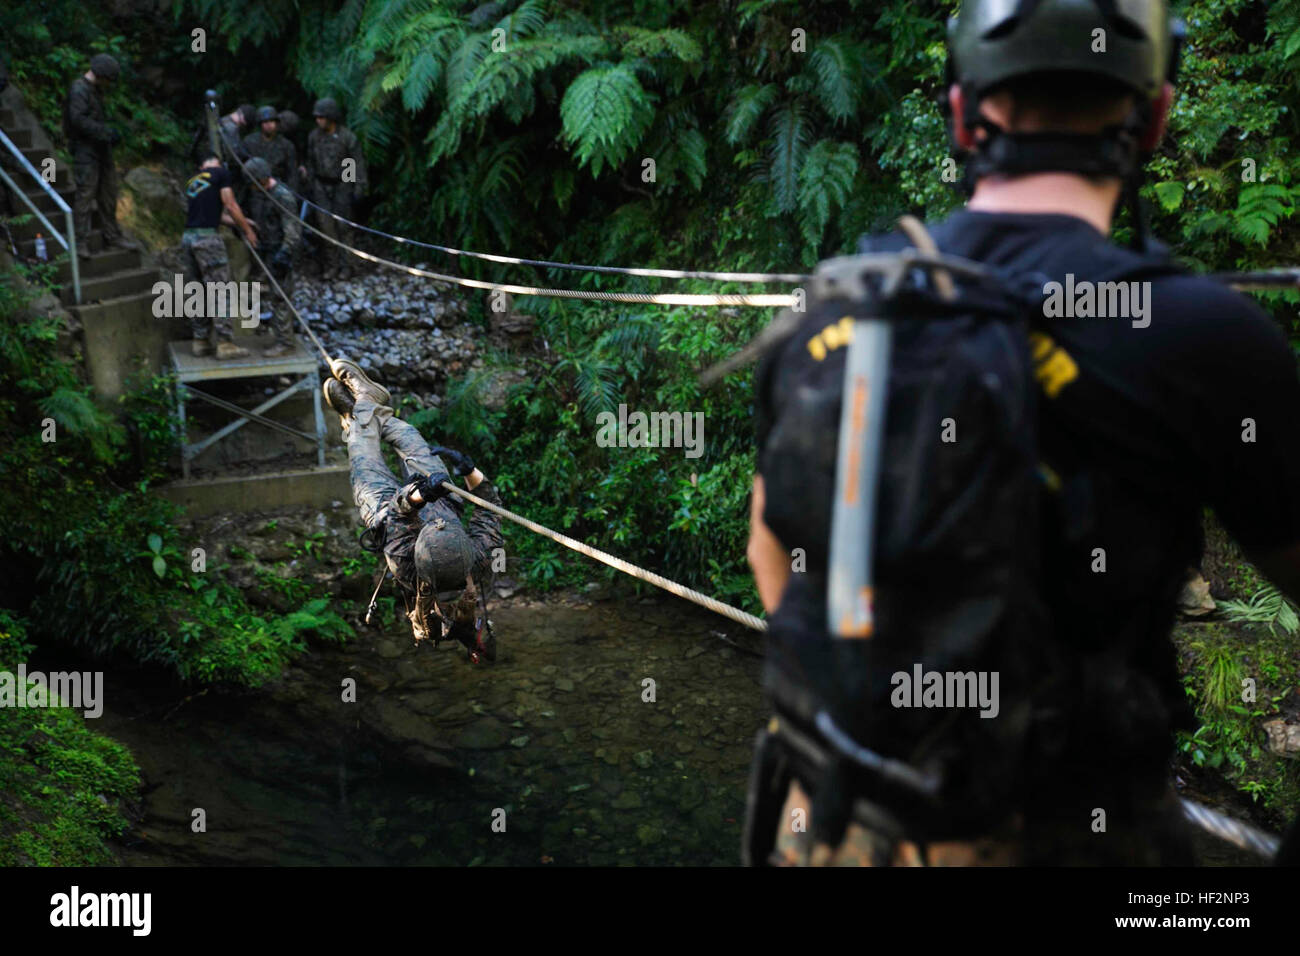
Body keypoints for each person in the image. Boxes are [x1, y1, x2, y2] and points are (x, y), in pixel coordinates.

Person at [745, 0, 1300, 866]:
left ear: (964, 115)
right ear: (1153, 116)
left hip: (831, 822)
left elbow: (772, 552)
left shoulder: (842, 308)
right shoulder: (1204, 336)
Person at [322, 359, 503, 662]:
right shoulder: (479, 559)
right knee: (410, 438)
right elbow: (490, 509)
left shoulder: (406, 566)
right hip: (440, 497)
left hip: (385, 507)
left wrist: (418, 495)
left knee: (362, 448)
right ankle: (364, 407)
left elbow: (397, 516)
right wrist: (470, 471)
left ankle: (360, 411)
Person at [181, 152, 258, 359]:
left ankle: (200, 340)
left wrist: (242, 222)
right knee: (220, 289)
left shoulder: (192, 181)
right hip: (208, 241)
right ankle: (225, 343)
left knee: (197, 290)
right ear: (217, 163)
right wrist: (248, 232)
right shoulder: (220, 173)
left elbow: (213, 215)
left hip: (188, 239)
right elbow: (230, 205)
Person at [63, 53, 138, 260]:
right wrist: (105, 132)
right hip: (85, 150)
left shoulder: (93, 90)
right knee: (85, 195)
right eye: (109, 79)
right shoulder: (79, 89)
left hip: (100, 149)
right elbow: (77, 120)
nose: (109, 84)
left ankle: (112, 236)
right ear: (101, 75)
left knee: (108, 194)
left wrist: (108, 135)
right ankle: (80, 242)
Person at [243, 156, 301, 358]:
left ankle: (286, 342)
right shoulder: (260, 194)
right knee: (255, 290)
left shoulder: (282, 196)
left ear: (261, 180)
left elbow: (292, 230)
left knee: (280, 296)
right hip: (264, 250)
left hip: (279, 252)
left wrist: (284, 254)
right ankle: (264, 328)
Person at [306, 97, 366, 280]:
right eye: (317, 117)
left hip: (341, 185)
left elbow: (355, 163)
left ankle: (347, 266)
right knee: (326, 228)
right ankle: (331, 266)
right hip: (321, 186)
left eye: (322, 117)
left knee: (344, 227)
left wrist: (357, 188)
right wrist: (311, 184)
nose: (318, 121)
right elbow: (311, 162)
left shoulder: (347, 137)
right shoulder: (314, 137)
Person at [243, 105, 298, 193]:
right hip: (255, 189)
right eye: (265, 122)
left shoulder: (286, 145)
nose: (269, 125)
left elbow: (292, 172)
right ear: (260, 124)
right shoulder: (249, 142)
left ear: (276, 123)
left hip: (278, 187)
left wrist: (291, 193)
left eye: (272, 121)